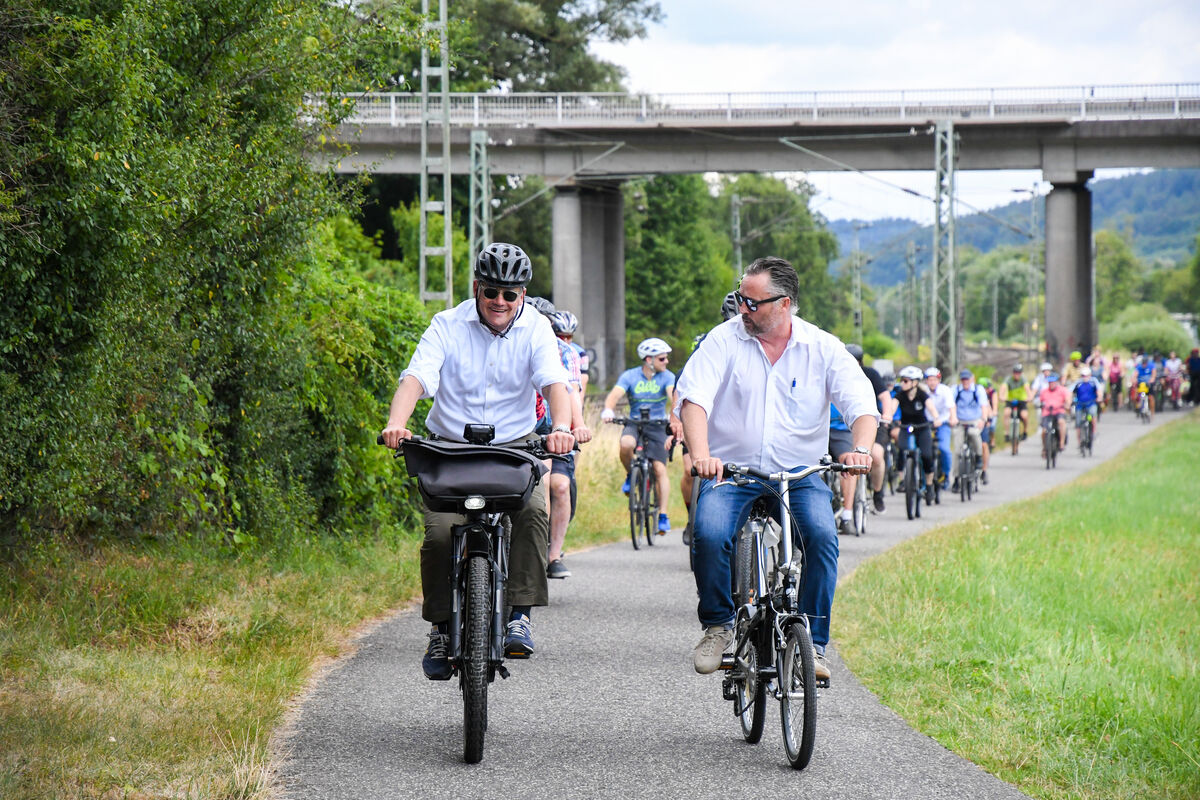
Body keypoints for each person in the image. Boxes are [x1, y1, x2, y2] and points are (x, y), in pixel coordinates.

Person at [676, 257, 879, 682]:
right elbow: (694, 399)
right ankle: (717, 624)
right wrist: (701, 453)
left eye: (753, 302)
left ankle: (814, 643)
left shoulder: (822, 348)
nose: (743, 309)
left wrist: (861, 448)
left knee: (822, 538)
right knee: (709, 534)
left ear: (784, 304)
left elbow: (861, 404)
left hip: (798, 475)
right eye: (740, 299)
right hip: (730, 471)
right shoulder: (723, 341)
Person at [381, 243, 575, 679]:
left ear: (523, 294)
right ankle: (442, 629)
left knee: (534, 512)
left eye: (511, 294)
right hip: (449, 449)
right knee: (438, 537)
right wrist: (397, 423)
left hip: (514, 447)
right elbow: (417, 377)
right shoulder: (447, 324)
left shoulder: (537, 329)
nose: (501, 302)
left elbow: (553, 381)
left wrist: (560, 427)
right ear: (476, 288)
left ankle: (519, 614)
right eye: (492, 292)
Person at [676, 292, 741, 539]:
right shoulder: (709, 343)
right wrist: (676, 422)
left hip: (739, 427)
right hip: (703, 421)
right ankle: (691, 516)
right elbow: (683, 388)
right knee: (688, 471)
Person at [537, 305, 593, 580]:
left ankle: (553, 555)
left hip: (554, 425)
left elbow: (570, 391)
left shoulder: (565, 353)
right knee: (541, 481)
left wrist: (578, 424)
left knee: (559, 485)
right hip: (520, 428)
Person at [601, 337, 676, 534]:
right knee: (626, 444)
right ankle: (630, 475)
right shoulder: (630, 376)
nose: (666, 362)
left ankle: (663, 515)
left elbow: (672, 396)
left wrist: (674, 415)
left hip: (658, 424)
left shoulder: (667, 377)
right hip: (634, 422)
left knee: (659, 469)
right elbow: (614, 396)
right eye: (662, 359)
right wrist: (608, 410)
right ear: (649, 360)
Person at [846, 342, 892, 515]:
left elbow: (885, 397)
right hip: (844, 424)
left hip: (872, 422)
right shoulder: (838, 375)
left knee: (877, 456)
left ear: (860, 362)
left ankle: (878, 493)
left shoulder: (870, 374)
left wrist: (887, 415)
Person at [891, 365, 941, 504]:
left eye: (906, 381)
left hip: (922, 427)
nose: (902, 383)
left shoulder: (922, 394)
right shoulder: (900, 394)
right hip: (906, 427)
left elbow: (931, 407)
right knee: (902, 451)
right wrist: (887, 417)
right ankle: (904, 481)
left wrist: (936, 418)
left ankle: (929, 485)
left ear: (915, 383)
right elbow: (892, 406)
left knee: (926, 455)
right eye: (902, 380)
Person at [952, 369, 991, 490]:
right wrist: (952, 418)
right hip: (960, 421)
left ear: (972, 379)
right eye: (963, 379)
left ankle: (979, 458)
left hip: (975, 421)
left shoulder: (978, 390)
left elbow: (983, 405)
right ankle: (956, 478)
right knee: (957, 450)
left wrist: (983, 419)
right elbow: (951, 405)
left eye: (967, 379)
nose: (965, 382)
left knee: (975, 437)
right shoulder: (956, 390)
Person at [923, 367, 956, 488]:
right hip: (926, 424)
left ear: (939, 380)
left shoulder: (945, 390)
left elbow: (951, 407)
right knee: (923, 451)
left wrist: (952, 418)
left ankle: (946, 475)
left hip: (943, 423)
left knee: (944, 449)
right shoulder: (923, 391)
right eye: (929, 380)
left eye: (934, 380)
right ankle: (923, 479)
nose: (932, 382)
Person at [1036, 373, 1069, 456]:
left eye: (1053, 382)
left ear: (1056, 382)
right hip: (1047, 413)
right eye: (1050, 382)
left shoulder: (1062, 390)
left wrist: (1067, 405)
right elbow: (1040, 401)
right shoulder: (1044, 392)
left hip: (1059, 411)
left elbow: (1067, 400)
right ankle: (1044, 448)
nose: (1051, 384)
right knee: (1044, 431)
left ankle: (1061, 443)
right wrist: (1039, 405)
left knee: (1061, 422)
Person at [1001, 363, 1031, 443]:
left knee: (1024, 416)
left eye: (1019, 373)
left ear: (1021, 373)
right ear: (1013, 373)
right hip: (1011, 400)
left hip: (1021, 401)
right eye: (1015, 372)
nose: (1017, 374)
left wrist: (1029, 397)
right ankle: (1006, 433)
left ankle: (1025, 431)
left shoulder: (1023, 379)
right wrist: (1001, 396)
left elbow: (1027, 388)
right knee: (1006, 413)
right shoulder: (1009, 379)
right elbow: (1003, 387)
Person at [1071, 366, 1102, 441]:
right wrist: (1069, 400)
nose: (1085, 377)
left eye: (1087, 375)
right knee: (1078, 422)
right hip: (1079, 404)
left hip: (1091, 403)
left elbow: (1099, 390)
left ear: (1090, 375)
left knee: (1092, 415)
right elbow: (1070, 391)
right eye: (1083, 376)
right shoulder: (1078, 382)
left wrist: (1099, 397)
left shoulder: (1093, 381)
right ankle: (1079, 441)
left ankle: (1094, 432)